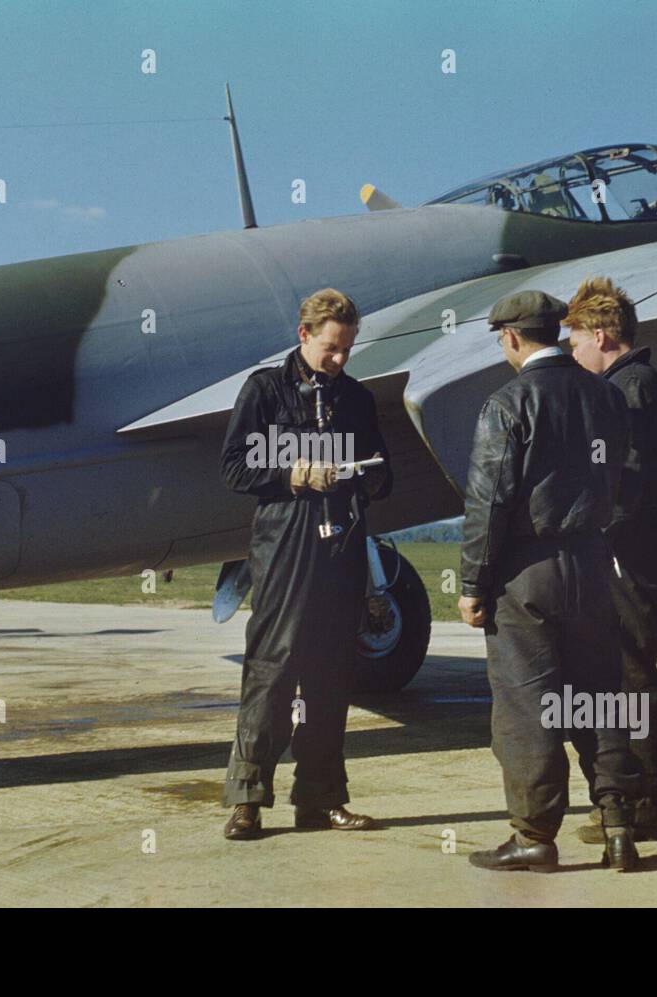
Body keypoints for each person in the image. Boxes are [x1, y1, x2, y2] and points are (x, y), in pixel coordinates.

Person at [459, 289, 642, 872]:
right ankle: (617, 822)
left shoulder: (507, 403)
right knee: (598, 699)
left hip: (527, 574)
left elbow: (488, 503)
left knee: (529, 706)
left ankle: (534, 834)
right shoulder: (607, 397)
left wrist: (472, 583)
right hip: (591, 564)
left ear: (511, 337)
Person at [219, 288, 392, 841]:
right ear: (304, 336)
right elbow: (234, 465)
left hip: (341, 538)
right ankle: (248, 799)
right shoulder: (265, 389)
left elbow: (384, 472)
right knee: (273, 668)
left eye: (347, 350)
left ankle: (320, 799)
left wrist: (361, 474)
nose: (340, 360)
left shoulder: (357, 399)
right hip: (285, 539)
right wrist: (295, 474)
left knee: (331, 672)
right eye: (331, 348)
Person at [563, 276, 657, 841]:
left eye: (575, 341)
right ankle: (642, 796)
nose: (572, 352)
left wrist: (594, 529)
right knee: (627, 673)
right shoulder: (639, 385)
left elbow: (629, 480)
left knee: (631, 674)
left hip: (628, 554)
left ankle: (643, 802)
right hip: (640, 548)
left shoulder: (631, 389)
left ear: (602, 334)